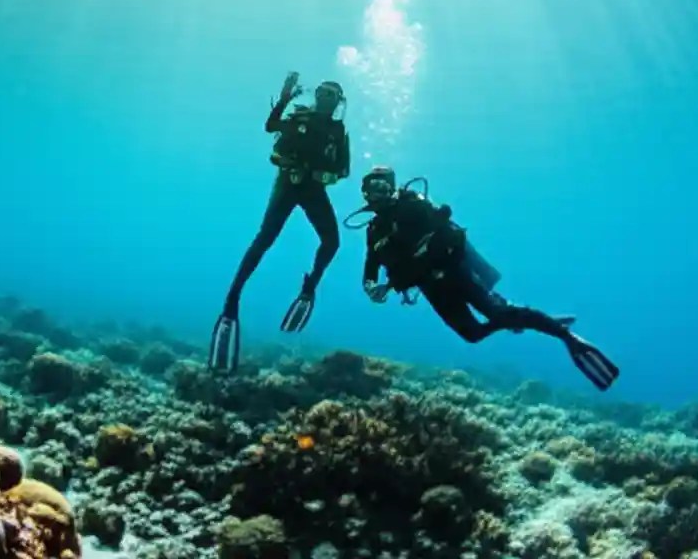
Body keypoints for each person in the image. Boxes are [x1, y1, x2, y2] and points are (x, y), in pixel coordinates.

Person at [351, 166, 620, 391]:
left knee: (495, 312)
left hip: (455, 273)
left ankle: (565, 336)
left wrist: (417, 258)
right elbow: (371, 263)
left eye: (382, 186)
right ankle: (518, 316)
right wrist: (370, 285)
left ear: (392, 187)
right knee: (472, 334)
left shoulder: (412, 205)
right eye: (370, 187)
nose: (377, 193)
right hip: (431, 288)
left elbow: (442, 232)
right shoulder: (374, 230)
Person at [209, 72, 350, 372]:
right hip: (288, 184)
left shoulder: (338, 131)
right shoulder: (301, 117)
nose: (325, 99)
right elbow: (270, 127)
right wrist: (284, 97)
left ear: (339, 102)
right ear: (316, 95)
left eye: (331, 95)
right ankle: (232, 299)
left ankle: (309, 288)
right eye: (322, 93)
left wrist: (324, 176)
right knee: (264, 239)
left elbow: (343, 170)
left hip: (313, 189)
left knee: (332, 241)